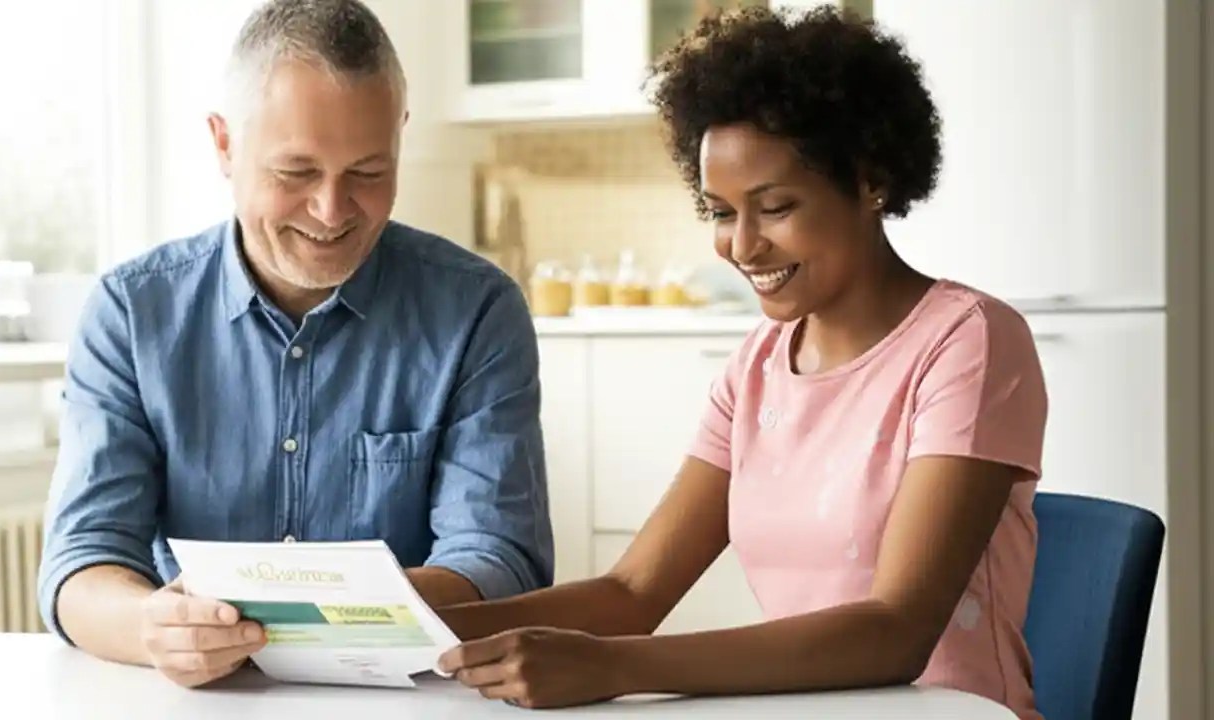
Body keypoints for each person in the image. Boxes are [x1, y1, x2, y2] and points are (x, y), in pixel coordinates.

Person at [435, 7, 1048, 719]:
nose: (742, 246)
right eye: (721, 212)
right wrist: (400, 632)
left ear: (870, 178)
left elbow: (896, 632)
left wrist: (612, 664)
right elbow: (632, 593)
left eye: (776, 206)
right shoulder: (757, 368)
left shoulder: (969, 342)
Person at [37, 0, 553, 689]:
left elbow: (501, 559)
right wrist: (153, 629)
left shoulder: (478, 310)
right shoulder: (130, 313)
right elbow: (81, 561)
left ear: (399, 137)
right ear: (224, 144)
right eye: (296, 173)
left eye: (369, 173)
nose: (332, 211)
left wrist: (308, 613)